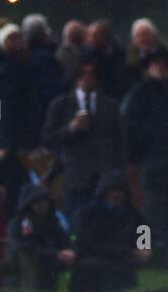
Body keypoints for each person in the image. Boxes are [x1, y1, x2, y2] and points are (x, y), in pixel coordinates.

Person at [121, 48, 168, 258]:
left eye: (165, 64)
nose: (162, 67)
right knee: (150, 213)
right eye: (157, 63)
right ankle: (147, 252)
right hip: (152, 164)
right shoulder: (140, 93)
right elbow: (130, 128)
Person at [42, 56, 125, 219]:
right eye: (82, 74)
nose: (87, 78)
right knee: (76, 226)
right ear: (75, 77)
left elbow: (120, 141)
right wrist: (70, 129)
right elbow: (48, 138)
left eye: (91, 74)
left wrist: (118, 173)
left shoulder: (110, 105)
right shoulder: (61, 104)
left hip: (104, 178)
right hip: (74, 178)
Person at [0, 24, 44, 221]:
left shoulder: (29, 66)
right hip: (7, 144)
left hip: (27, 141)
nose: (17, 43)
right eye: (12, 39)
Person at [72, 170, 149, 292]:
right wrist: (129, 252)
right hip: (92, 274)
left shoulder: (131, 213)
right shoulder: (88, 213)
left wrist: (144, 246)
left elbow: (144, 229)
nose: (116, 195)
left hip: (122, 270)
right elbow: (88, 245)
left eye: (120, 191)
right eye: (112, 191)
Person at [13, 183, 74, 291]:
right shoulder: (23, 223)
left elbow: (64, 240)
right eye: (37, 202)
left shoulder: (52, 222)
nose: (42, 205)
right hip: (30, 271)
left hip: (49, 269)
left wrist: (68, 251)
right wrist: (56, 254)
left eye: (44, 201)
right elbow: (28, 247)